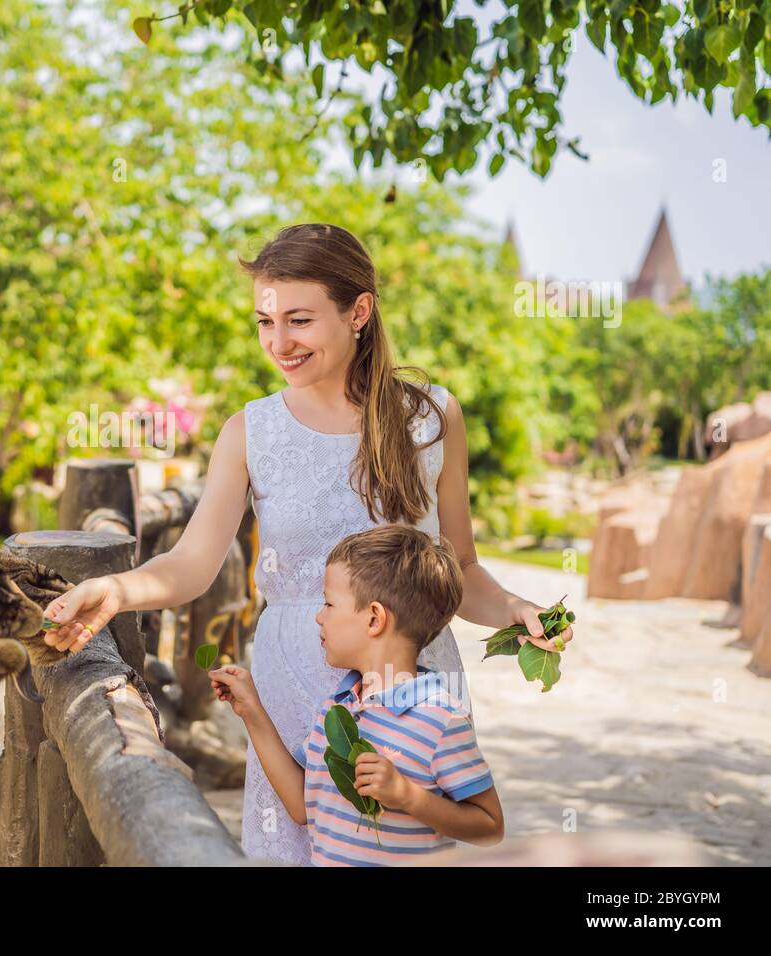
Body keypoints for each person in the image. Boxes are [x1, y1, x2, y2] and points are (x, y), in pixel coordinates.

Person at [41, 223, 570, 863]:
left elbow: (460, 569)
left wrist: (517, 610)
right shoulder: (250, 430)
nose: (279, 343)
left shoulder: (431, 418)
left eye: (299, 320)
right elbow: (191, 562)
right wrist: (117, 589)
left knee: (406, 842)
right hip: (293, 681)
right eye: (265, 322)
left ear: (359, 312)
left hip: (411, 681)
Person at [209, 524, 503, 865]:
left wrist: (408, 796)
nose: (319, 617)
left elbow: (491, 826)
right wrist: (252, 711)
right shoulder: (338, 711)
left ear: (374, 618)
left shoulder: (440, 718)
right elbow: (302, 806)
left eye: (329, 604)